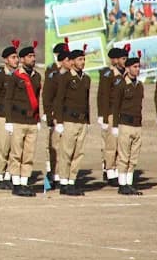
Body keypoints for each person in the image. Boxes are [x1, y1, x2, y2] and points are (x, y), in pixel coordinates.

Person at [6, 44, 41, 197]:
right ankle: (16, 183)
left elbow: (37, 98)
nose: (32, 59)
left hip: (32, 121)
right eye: (29, 57)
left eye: (33, 56)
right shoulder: (15, 77)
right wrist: (8, 121)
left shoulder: (37, 76)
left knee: (29, 154)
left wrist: (38, 119)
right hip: (18, 120)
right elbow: (8, 99)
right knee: (16, 153)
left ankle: (25, 182)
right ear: (22, 59)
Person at [54, 47, 91, 196]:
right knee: (66, 152)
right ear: (73, 61)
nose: (82, 62)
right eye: (80, 59)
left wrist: (87, 120)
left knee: (78, 153)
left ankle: (71, 181)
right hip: (69, 120)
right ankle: (64, 183)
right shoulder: (66, 78)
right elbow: (59, 100)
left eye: (83, 59)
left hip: (82, 122)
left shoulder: (86, 78)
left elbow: (86, 101)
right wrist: (60, 122)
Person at [112, 55, 144, 195]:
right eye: (134, 67)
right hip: (125, 124)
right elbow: (115, 106)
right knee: (124, 156)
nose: (137, 69)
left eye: (138, 67)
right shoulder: (121, 84)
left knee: (134, 157)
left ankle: (129, 183)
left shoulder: (140, 85)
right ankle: (122, 184)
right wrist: (114, 126)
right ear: (128, 68)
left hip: (137, 125)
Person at [0, 43, 19, 190]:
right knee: (3, 147)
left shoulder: (19, 74)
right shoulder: (0, 75)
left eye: (17, 57)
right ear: (6, 60)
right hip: (1, 116)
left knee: (14, 148)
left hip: (15, 118)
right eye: (13, 57)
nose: (16, 60)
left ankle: (9, 176)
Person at [42, 43, 70, 188]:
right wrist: (48, 113)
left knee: (66, 146)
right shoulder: (52, 71)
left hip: (67, 114)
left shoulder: (70, 71)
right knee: (53, 145)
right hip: (54, 114)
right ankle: (52, 174)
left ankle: (62, 175)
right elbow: (47, 94)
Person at [100, 46, 128, 187]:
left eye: (125, 58)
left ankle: (117, 170)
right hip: (111, 113)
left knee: (121, 144)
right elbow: (103, 95)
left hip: (123, 114)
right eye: (123, 59)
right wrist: (103, 116)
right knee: (111, 144)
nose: (125, 61)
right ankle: (110, 172)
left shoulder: (127, 74)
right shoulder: (108, 74)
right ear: (115, 60)